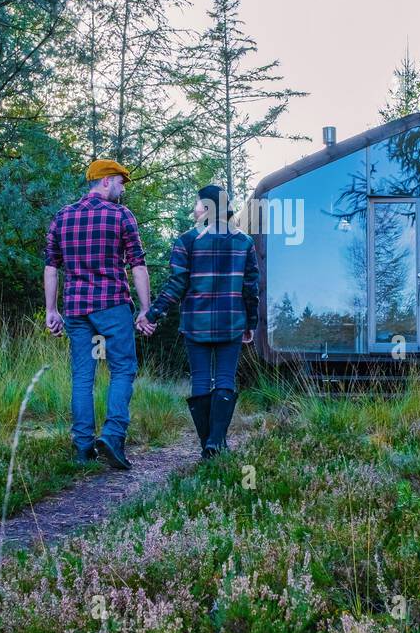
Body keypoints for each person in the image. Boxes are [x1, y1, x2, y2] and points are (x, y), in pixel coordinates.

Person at [44, 159, 151, 471]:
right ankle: (113, 436)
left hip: (76, 310)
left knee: (82, 377)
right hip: (112, 306)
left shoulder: (63, 216)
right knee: (122, 370)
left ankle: (82, 448)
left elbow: (52, 266)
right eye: (120, 181)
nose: (122, 187)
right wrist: (146, 309)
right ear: (105, 181)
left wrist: (52, 310)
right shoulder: (120, 215)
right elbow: (137, 265)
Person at [139, 185, 259, 458]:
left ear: (207, 208)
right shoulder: (244, 242)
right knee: (226, 378)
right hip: (231, 321)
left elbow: (176, 285)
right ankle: (217, 441)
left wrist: (153, 313)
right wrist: (250, 323)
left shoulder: (187, 241)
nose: (193, 209)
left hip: (196, 322)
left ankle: (208, 442)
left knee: (201, 380)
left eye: (197, 204)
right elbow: (251, 288)